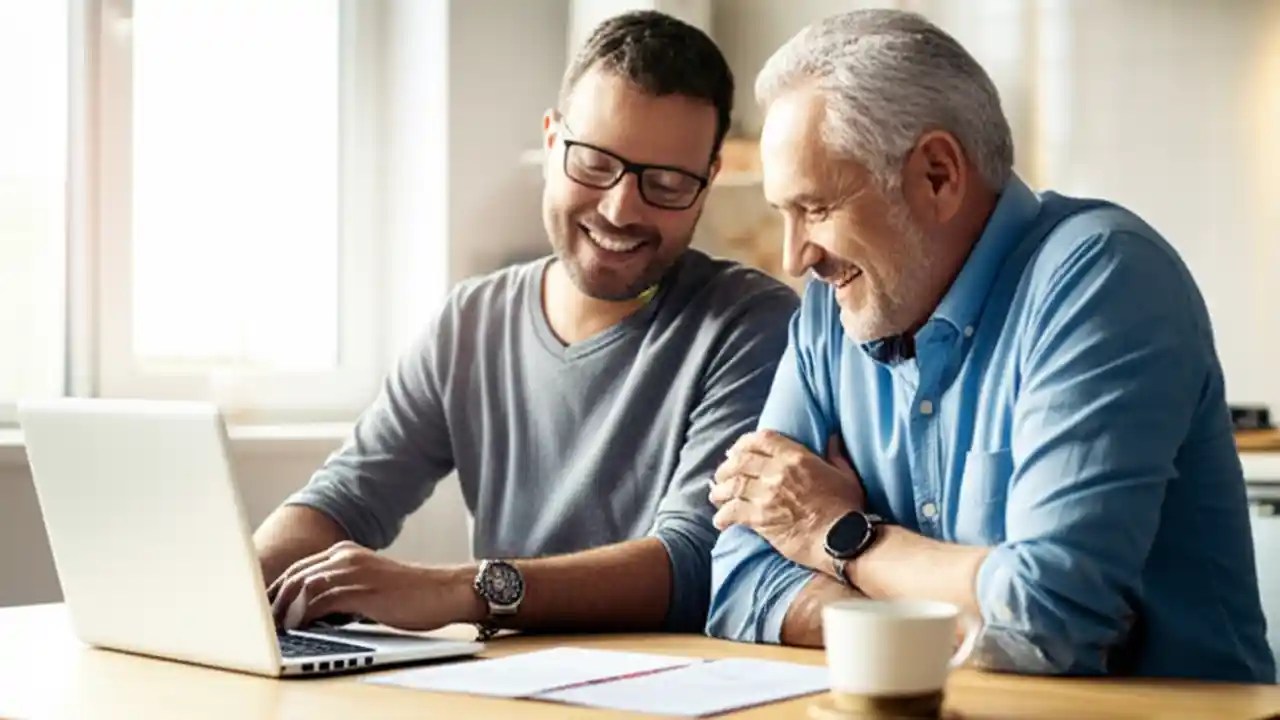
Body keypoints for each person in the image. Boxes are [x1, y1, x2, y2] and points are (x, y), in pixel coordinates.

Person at [704, 9, 1275, 682]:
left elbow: (1045, 619)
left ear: (939, 174)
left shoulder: (1102, 277)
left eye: (817, 209)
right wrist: (951, 610)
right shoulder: (832, 314)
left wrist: (841, 537)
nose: (796, 256)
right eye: (785, 214)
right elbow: (739, 578)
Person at [257, 11, 798, 638]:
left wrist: (456, 590)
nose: (621, 208)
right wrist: (230, 590)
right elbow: (342, 500)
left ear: (706, 187)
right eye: (594, 164)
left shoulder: (752, 325)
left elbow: (692, 563)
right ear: (550, 143)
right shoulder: (469, 322)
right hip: (502, 684)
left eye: (668, 183)